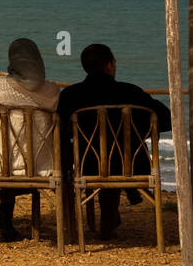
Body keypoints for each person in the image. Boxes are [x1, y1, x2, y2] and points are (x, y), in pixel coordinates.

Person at [56, 43, 172, 240]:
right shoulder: (131, 92)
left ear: (85, 67)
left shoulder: (71, 95)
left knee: (96, 153)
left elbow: (59, 130)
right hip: (133, 165)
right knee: (118, 152)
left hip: (87, 165)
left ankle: (101, 222)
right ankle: (129, 192)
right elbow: (166, 119)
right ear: (109, 65)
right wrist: (139, 131)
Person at [0, 38, 60, 241]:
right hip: (42, 166)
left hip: (1, 168)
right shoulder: (52, 91)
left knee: (1, 151)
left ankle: (2, 221)